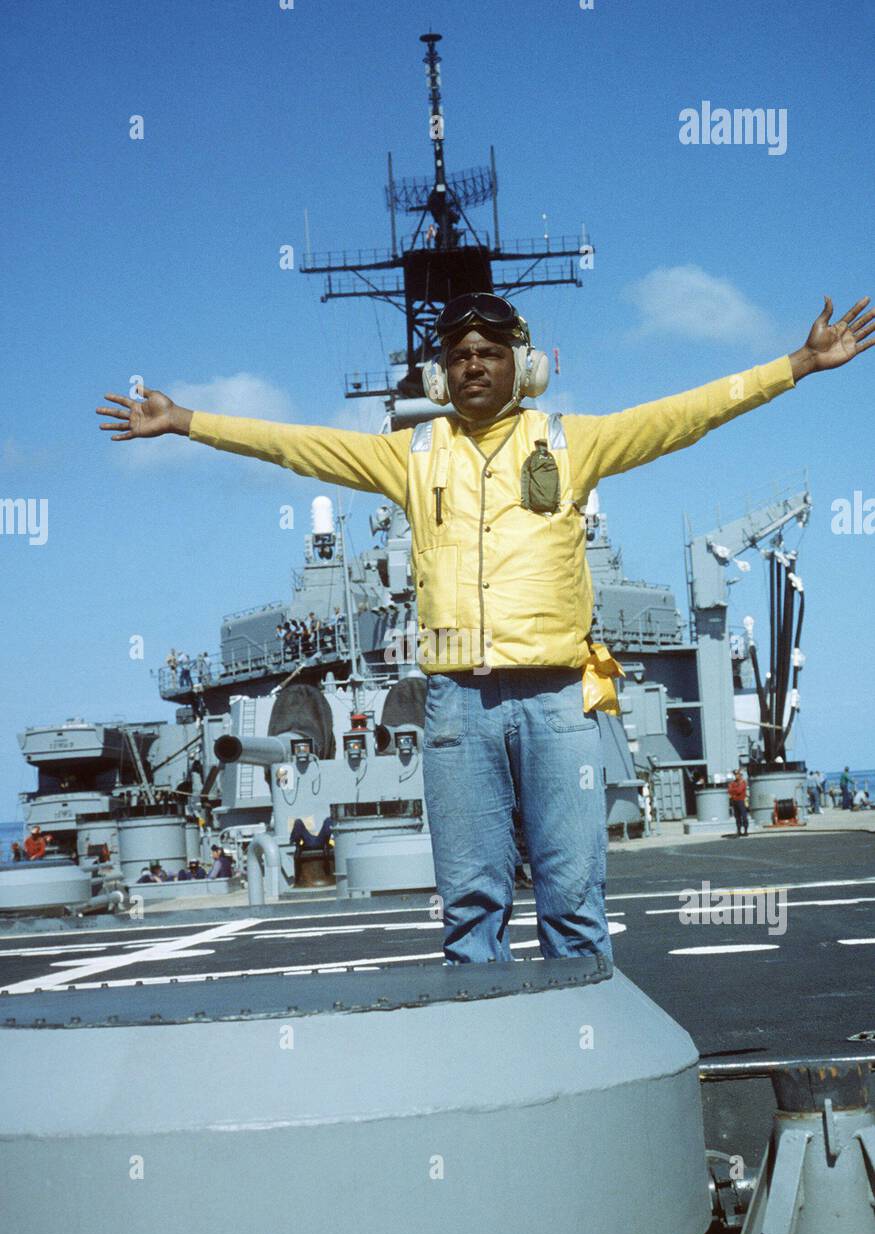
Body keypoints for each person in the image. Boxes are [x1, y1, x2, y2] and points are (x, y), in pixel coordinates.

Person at [98, 290, 874, 966]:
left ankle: (582, 1052)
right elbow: (298, 447)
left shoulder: (574, 443)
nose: (473, 364)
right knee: (470, 906)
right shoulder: (411, 457)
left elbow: (685, 415)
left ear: (521, 367)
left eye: (489, 352)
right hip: (454, 710)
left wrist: (796, 365)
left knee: (573, 899)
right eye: (459, 354)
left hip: (556, 700)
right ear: (440, 374)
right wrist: (187, 422)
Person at [727, 768, 750, 836]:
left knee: (744, 816)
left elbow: (739, 790)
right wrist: (734, 790)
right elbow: (729, 790)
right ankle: (739, 830)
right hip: (735, 801)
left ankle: (745, 830)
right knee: (737, 817)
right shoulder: (733, 783)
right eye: (735, 775)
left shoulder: (743, 782)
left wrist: (733, 790)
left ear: (740, 775)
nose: (736, 776)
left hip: (741, 800)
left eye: (737, 775)